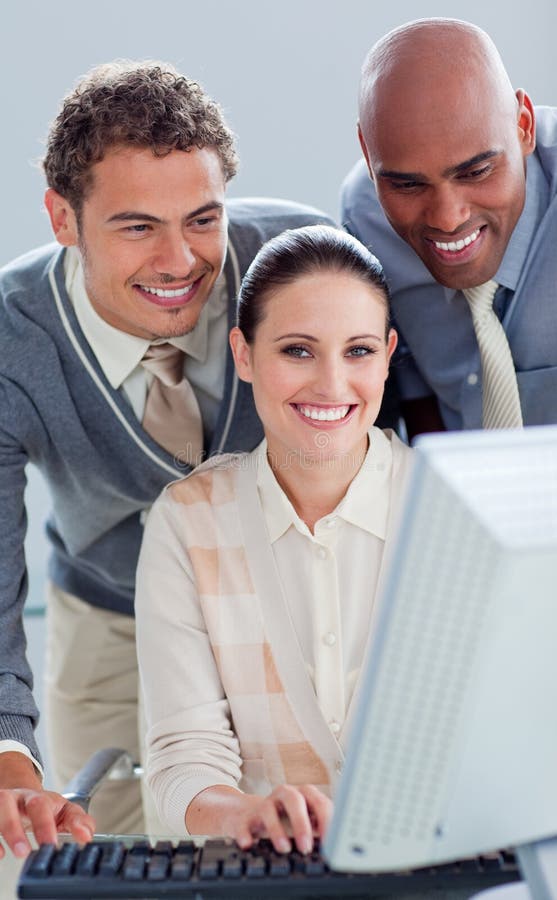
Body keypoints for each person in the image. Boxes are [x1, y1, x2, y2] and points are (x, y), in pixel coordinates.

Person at [0, 60, 332, 858]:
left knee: (278, 848)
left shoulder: (302, 264)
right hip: (107, 614)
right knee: (81, 853)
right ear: (63, 219)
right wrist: (10, 757)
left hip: (279, 610)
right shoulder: (12, 342)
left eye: (202, 219)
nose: (180, 260)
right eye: (137, 226)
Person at [135, 224, 413, 853]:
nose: (331, 385)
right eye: (297, 350)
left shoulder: (453, 508)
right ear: (243, 354)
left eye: (359, 351)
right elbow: (185, 757)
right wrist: (245, 816)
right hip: (262, 876)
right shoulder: (187, 521)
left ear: (389, 354)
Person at [341, 18, 557, 440]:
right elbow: (418, 396)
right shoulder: (365, 216)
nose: (447, 218)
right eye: (407, 184)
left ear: (524, 126)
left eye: (476, 171)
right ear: (369, 154)